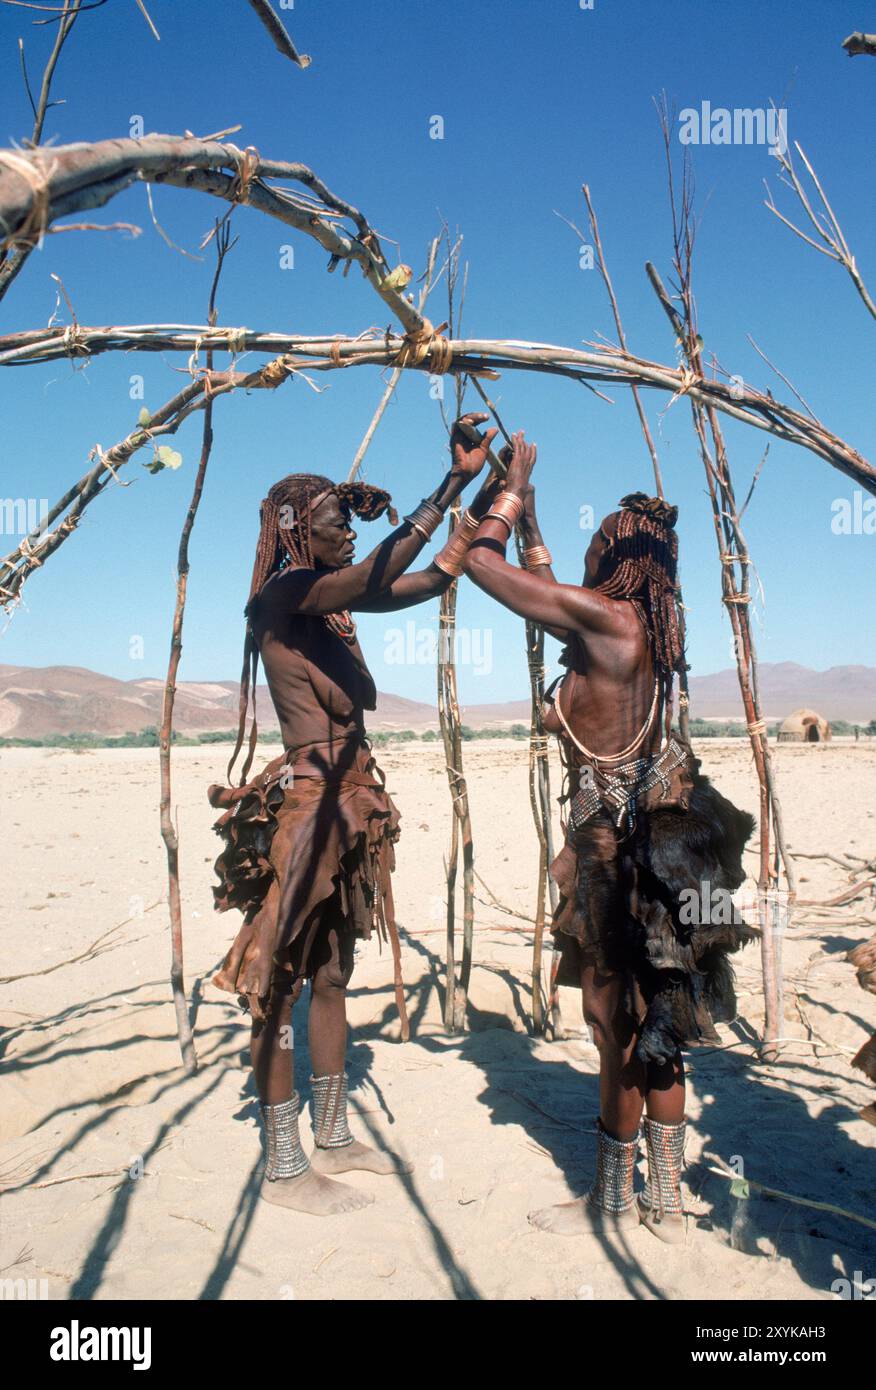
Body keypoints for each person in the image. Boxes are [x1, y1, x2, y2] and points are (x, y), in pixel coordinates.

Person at [465, 429, 756, 1242]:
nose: (589, 550)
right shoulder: (639, 630)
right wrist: (533, 516)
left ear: (621, 560)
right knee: (660, 1021)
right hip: (659, 854)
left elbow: (487, 572)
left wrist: (510, 491)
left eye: (599, 541)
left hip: (610, 859)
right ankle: (665, 1200)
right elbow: (545, 586)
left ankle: (613, 1200)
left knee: (613, 1027)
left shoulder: (608, 622)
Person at [208, 414, 498, 1216]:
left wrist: (488, 507)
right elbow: (378, 570)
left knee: (333, 972)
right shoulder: (283, 597)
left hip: (354, 803)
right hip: (305, 810)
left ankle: (332, 1133)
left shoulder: (331, 611)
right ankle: (284, 1162)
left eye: (349, 525)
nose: (347, 535)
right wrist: (448, 487)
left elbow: (426, 579)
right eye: (336, 524)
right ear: (301, 529)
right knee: (280, 982)